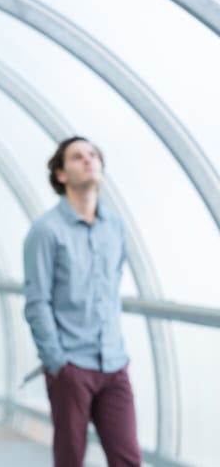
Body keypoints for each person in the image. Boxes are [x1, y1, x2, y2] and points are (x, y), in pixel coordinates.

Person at [23, 137, 142, 467]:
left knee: (128, 458)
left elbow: (113, 286)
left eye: (93, 155)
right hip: (71, 366)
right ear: (61, 174)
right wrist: (59, 364)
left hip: (114, 364)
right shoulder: (45, 231)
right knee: (71, 459)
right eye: (78, 157)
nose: (89, 160)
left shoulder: (115, 226)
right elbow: (37, 302)